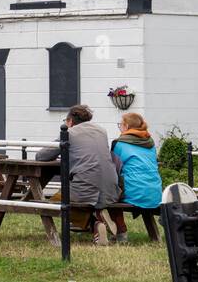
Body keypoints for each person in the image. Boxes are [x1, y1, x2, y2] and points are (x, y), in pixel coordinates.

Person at [36, 104, 121, 244]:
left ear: (69, 121)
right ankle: (97, 224)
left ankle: (96, 217)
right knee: (82, 197)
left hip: (85, 188)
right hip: (111, 188)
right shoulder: (102, 131)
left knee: (55, 202)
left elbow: (42, 155)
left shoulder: (69, 133)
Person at [108, 112, 163, 244]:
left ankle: (121, 233)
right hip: (155, 191)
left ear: (126, 126)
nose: (120, 127)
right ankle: (153, 236)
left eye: (120, 125)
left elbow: (112, 168)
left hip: (135, 191)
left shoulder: (120, 143)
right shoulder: (150, 143)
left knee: (109, 194)